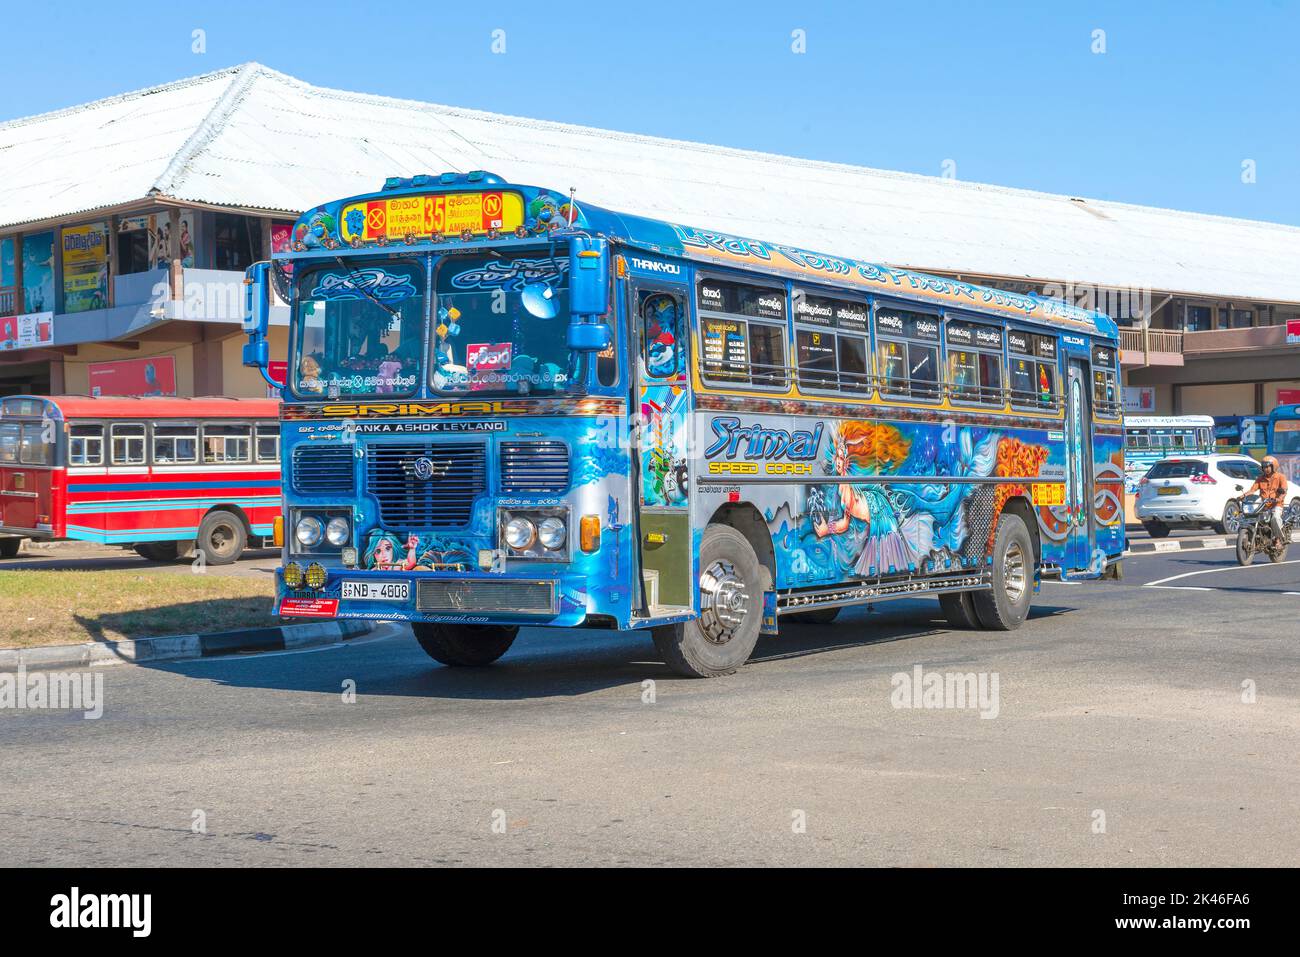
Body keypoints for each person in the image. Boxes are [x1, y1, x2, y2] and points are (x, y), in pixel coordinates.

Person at [1241, 455, 1289, 539]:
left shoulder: (1281, 477)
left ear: (1273, 467)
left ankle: (1278, 539)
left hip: (1276, 505)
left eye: (1268, 466)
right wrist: (1242, 496)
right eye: (1264, 467)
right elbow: (1252, 490)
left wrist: (1279, 498)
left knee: (1275, 518)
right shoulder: (1260, 479)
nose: (1266, 469)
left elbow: (1284, 491)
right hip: (1263, 505)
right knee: (1253, 517)